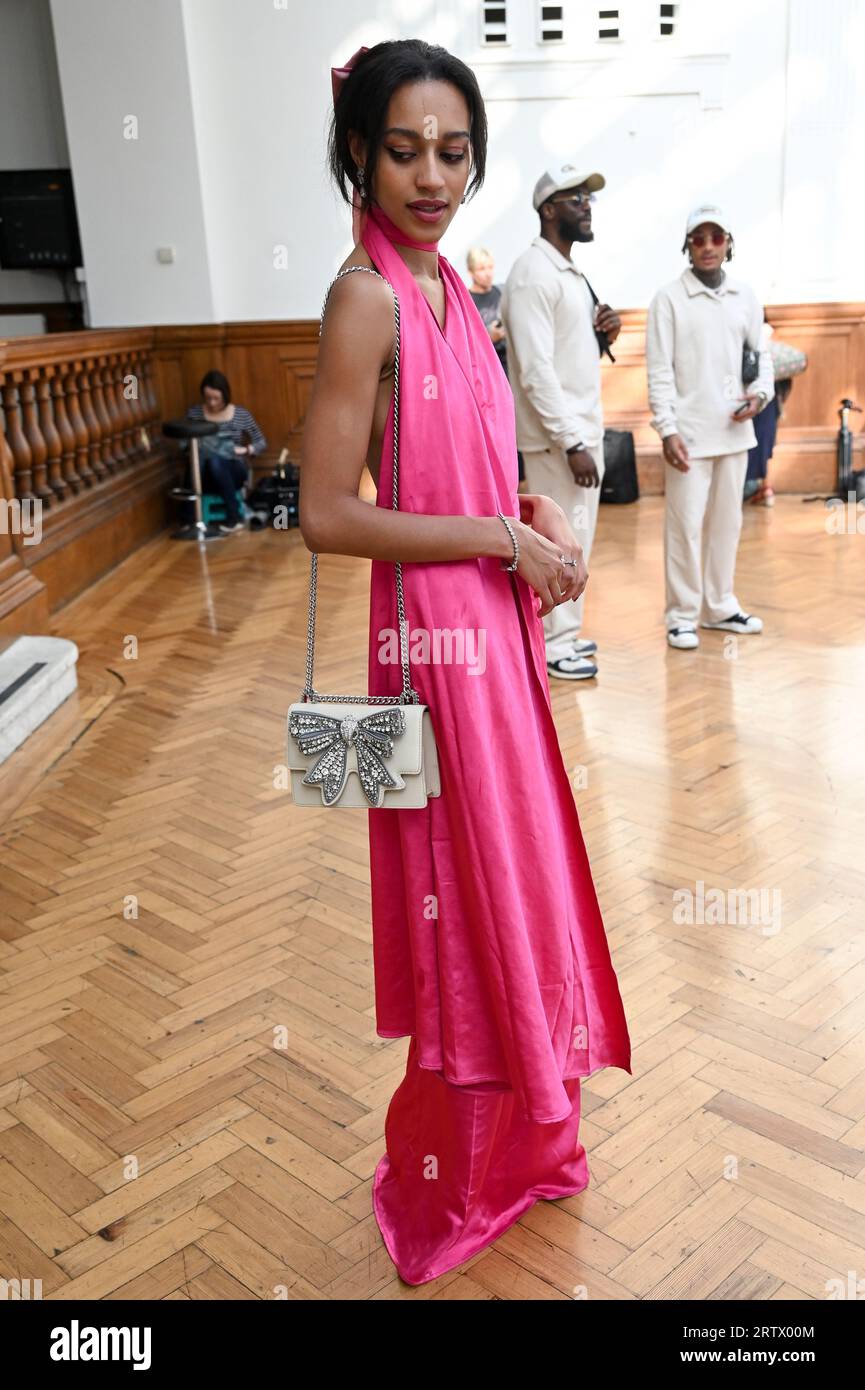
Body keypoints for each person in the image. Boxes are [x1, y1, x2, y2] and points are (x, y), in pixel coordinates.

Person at [300, 39, 631, 1287]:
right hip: (431, 650)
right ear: (357, 154)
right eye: (402, 151)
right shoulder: (366, 297)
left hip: (489, 628)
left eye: (452, 151)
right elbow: (328, 512)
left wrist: (524, 515)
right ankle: (456, 1169)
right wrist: (499, 532)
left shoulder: (447, 283)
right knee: (465, 893)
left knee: (516, 883)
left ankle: (522, 1136)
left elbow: (466, 462)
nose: (431, 176)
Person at [500, 163, 621, 681]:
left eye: (588, 198)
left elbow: (567, 352)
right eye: (575, 199)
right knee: (561, 541)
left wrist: (603, 337)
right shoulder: (532, 274)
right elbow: (534, 370)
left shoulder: (567, 271)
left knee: (578, 539)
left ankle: (565, 632)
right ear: (548, 210)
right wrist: (571, 440)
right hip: (558, 440)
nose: (586, 206)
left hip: (577, 430)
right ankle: (552, 643)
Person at [646, 205, 774, 649]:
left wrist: (759, 395)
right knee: (684, 528)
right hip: (689, 437)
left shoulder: (746, 295)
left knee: (728, 524)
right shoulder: (668, 299)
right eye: (697, 239)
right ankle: (682, 614)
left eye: (715, 238)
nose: (706, 246)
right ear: (687, 246)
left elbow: (761, 358)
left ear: (728, 243)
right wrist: (667, 429)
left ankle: (719, 606)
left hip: (735, 433)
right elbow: (659, 371)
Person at [466, 246, 525, 482]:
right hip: (480, 373)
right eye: (481, 269)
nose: (487, 274)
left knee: (512, 424)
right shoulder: (466, 300)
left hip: (508, 366)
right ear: (471, 272)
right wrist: (488, 339)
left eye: (490, 268)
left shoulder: (501, 295)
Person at [185, 370, 267, 533]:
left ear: (225, 395)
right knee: (203, 461)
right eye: (208, 398)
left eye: (216, 398)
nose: (212, 403)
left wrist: (246, 449)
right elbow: (185, 445)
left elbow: (261, 442)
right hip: (203, 471)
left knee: (217, 462)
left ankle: (234, 516)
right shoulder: (195, 414)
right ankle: (189, 518)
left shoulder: (240, 414)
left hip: (233, 469)